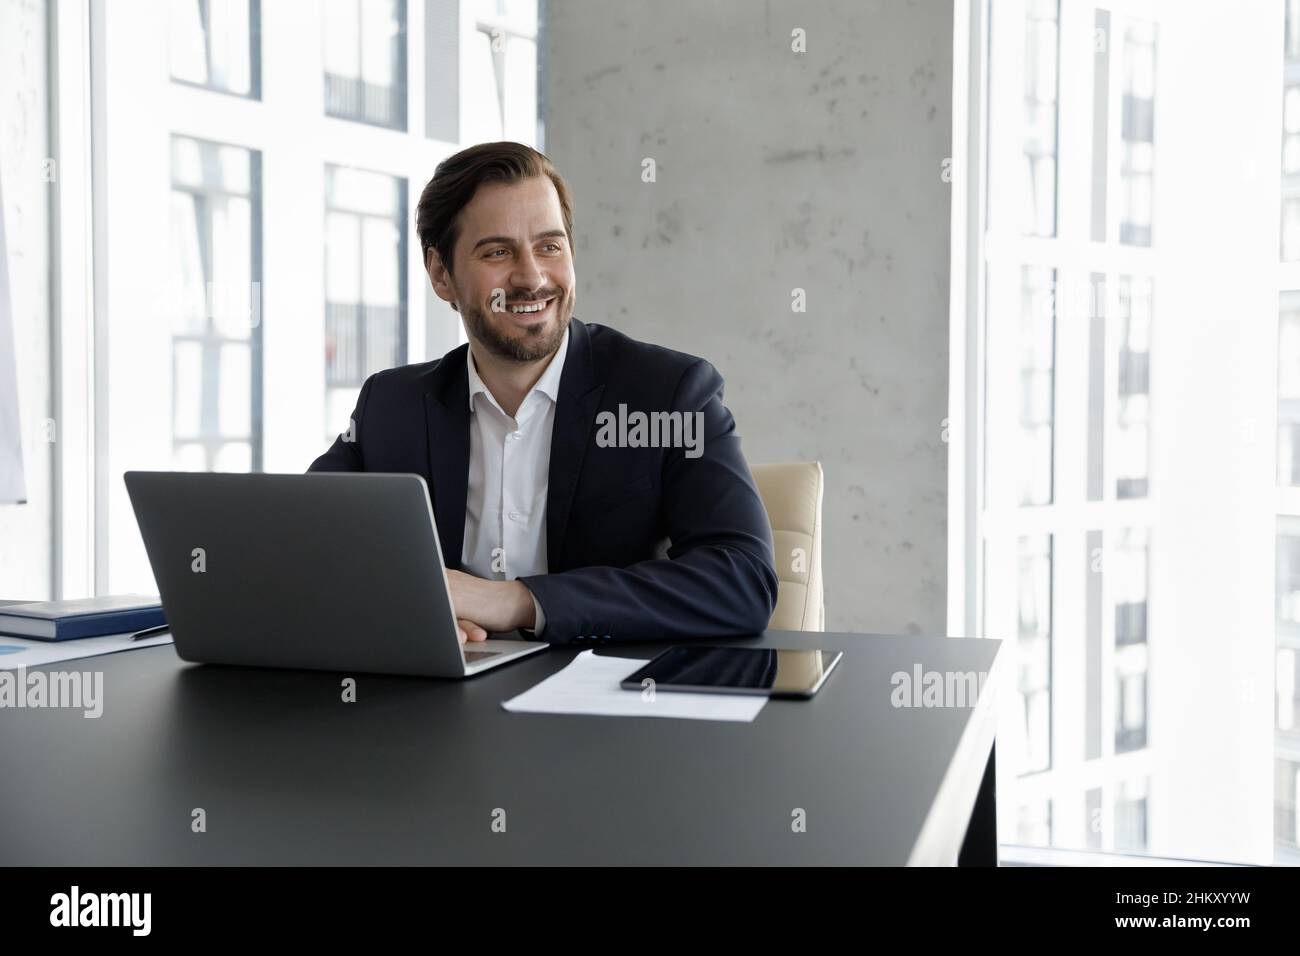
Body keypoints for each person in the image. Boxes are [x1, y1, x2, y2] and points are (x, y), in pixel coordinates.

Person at [310, 141, 777, 647]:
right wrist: (408, 604)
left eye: (549, 246)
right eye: (498, 251)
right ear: (442, 275)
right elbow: (306, 544)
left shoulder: (667, 394)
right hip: (437, 702)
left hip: (610, 708)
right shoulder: (390, 405)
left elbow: (742, 580)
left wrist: (514, 601)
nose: (532, 277)